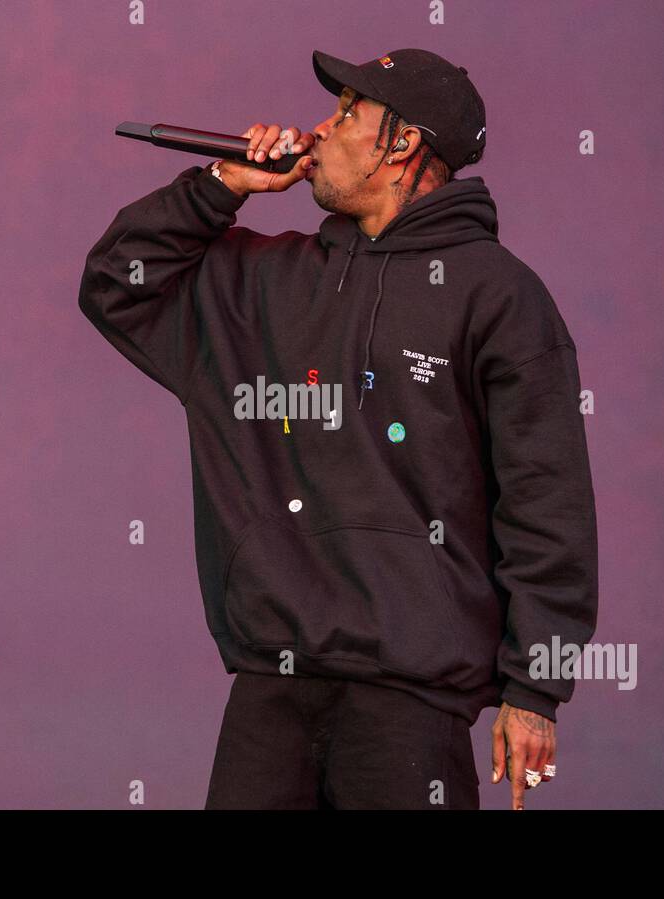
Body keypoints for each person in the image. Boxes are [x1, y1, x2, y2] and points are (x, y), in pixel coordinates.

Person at [78, 48, 598, 810]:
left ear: (403, 144)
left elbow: (546, 500)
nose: (320, 128)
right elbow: (114, 283)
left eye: (348, 112)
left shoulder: (499, 296)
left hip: (412, 705)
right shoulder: (260, 281)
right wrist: (219, 189)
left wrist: (535, 690)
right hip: (270, 689)